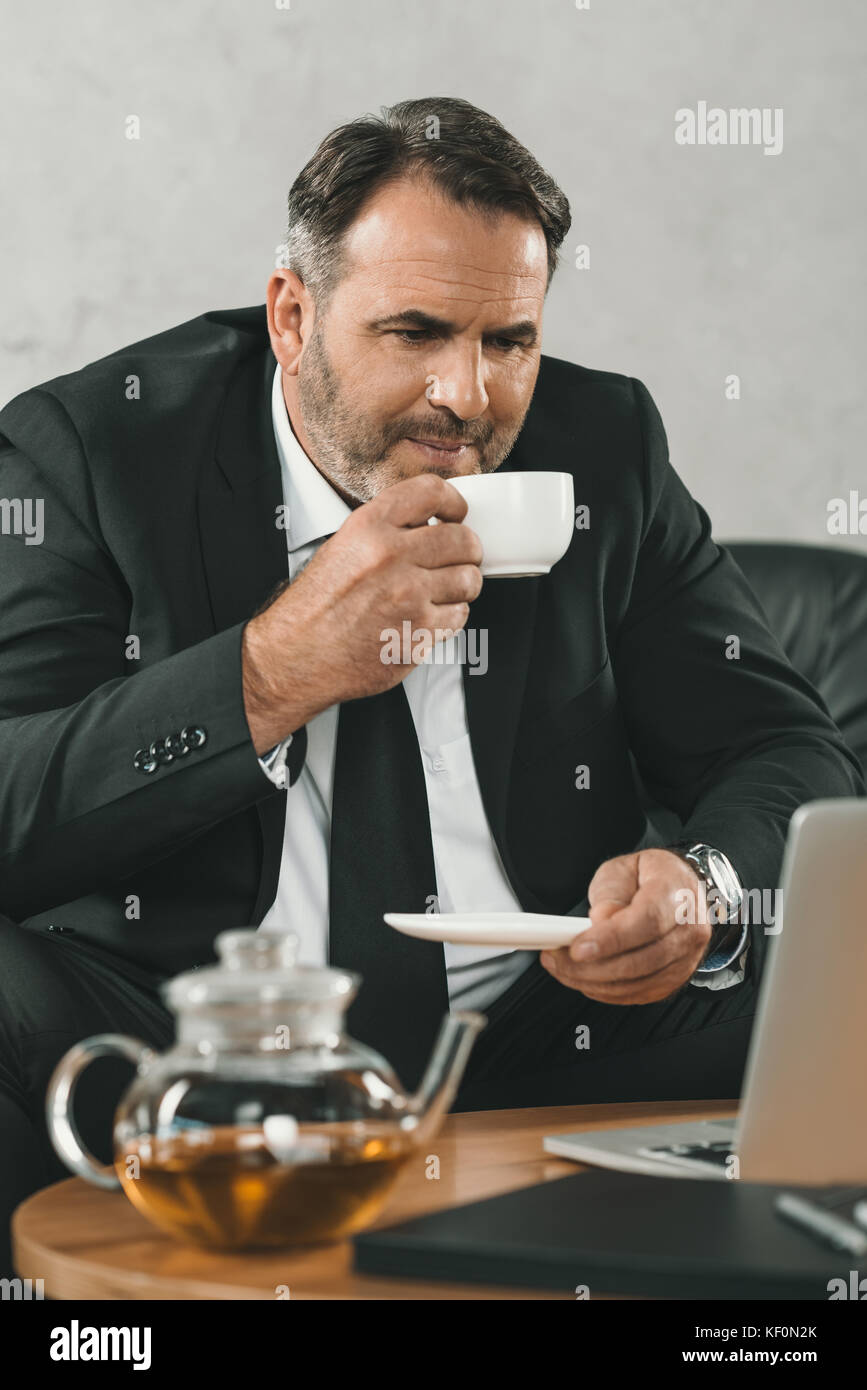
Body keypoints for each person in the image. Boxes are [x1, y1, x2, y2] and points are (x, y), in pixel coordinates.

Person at [0, 97, 862, 1274]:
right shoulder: (95, 452)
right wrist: (266, 672)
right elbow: (13, 797)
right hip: (185, 1034)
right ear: (292, 315)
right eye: (414, 331)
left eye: (508, 339)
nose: (467, 396)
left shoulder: (601, 440)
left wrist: (705, 892)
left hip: (545, 1021)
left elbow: (783, 746)